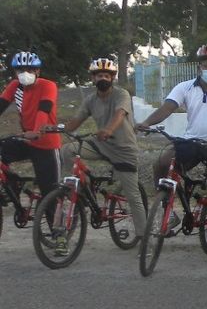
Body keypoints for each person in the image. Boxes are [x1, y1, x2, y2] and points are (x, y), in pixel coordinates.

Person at [137, 44, 207, 261]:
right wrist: (146, 122)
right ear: (199, 67)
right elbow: (167, 108)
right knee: (162, 163)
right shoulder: (185, 87)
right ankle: (169, 211)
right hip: (191, 142)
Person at [56, 58, 147, 247]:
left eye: (107, 75)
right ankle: (84, 185)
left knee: (133, 196)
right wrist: (58, 129)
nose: (102, 78)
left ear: (112, 78)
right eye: (99, 75)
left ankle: (145, 238)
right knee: (68, 150)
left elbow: (119, 114)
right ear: (93, 78)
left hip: (124, 149)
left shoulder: (121, 94)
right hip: (101, 144)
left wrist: (108, 130)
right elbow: (76, 121)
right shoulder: (91, 99)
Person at [0, 51, 62, 202]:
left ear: (37, 71)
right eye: (20, 70)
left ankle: (56, 223)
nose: (24, 73)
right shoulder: (15, 86)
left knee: (49, 194)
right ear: (15, 72)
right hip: (27, 141)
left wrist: (37, 131)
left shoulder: (48, 85)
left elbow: (44, 110)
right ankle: (13, 184)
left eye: (29, 69)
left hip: (47, 144)